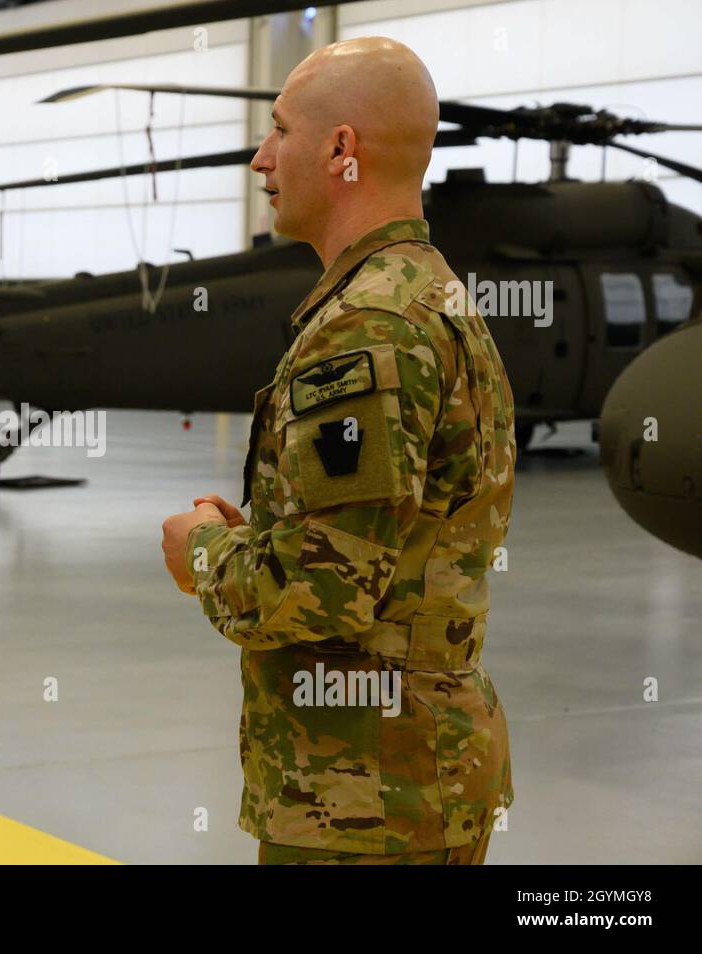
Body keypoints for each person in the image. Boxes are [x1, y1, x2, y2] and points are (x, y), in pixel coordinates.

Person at [161, 37, 515, 864]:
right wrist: (259, 536)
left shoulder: (367, 328)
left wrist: (203, 553)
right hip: (410, 779)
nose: (261, 158)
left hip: (362, 800)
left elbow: (324, 589)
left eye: (279, 131)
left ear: (341, 150)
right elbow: (388, 543)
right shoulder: (429, 293)